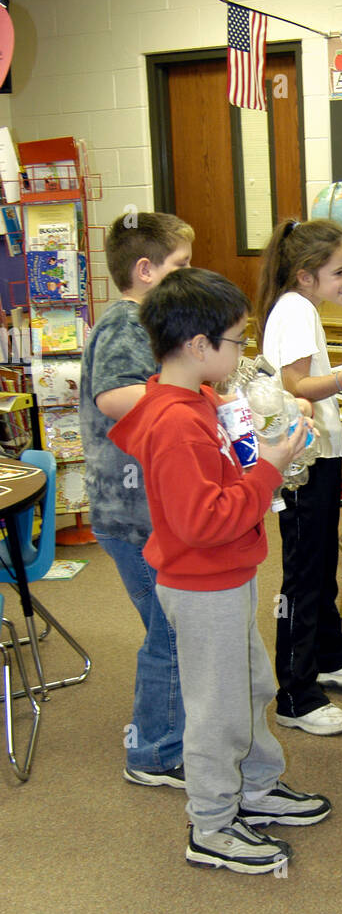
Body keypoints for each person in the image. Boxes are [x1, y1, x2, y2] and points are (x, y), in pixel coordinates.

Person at [110, 266, 332, 873]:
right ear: (198, 345)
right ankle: (210, 824)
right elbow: (204, 521)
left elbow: (218, 478)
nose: (242, 351)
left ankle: (256, 789)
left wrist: (263, 447)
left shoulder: (196, 401)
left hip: (223, 576)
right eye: (236, 340)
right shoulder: (178, 423)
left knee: (251, 686)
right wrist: (268, 469)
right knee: (217, 710)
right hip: (203, 580)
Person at [257, 217, 342, 736]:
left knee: (322, 559)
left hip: (320, 452)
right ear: (306, 275)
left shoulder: (301, 306)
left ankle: (331, 655)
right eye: (340, 272)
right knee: (305, 573)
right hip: (301, 462)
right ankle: (296, 691)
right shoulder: (294, 309)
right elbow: (298, 384)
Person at [80, 212, 194, 787]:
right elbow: (115, 397)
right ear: (146, 271)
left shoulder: (144, 320)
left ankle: (159, 725)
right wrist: (185, 396)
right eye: (180, 266)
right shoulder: (128, 321)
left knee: (166, 624)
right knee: (168, 629)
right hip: (130, 513)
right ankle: (154, 751)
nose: (188, 276)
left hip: (143, 509)